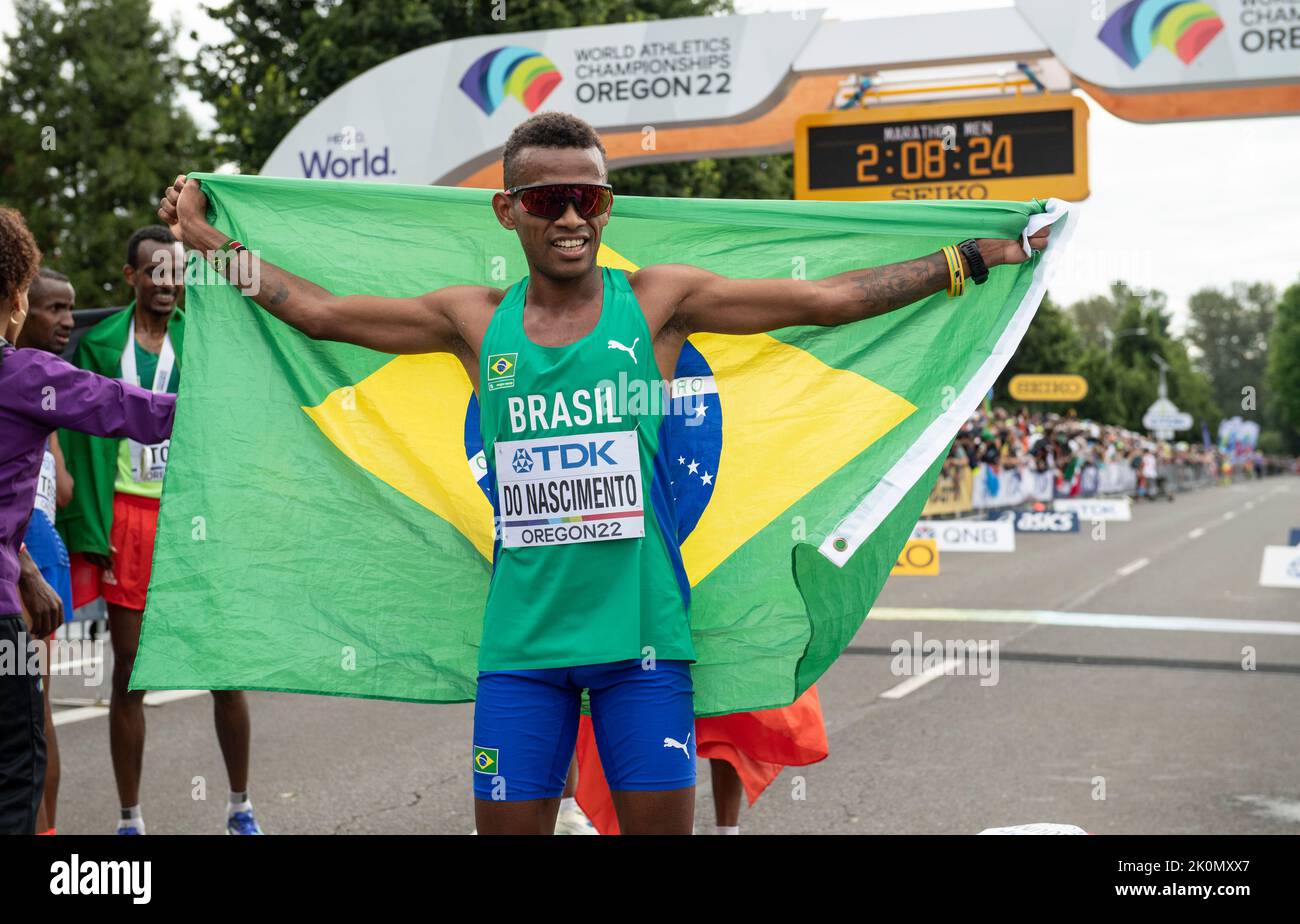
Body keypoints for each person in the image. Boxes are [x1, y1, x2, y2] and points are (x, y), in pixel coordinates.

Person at [159, 110, 1053, 835]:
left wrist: (967, 258)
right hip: (522, 652)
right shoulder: (471, 319)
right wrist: (203, 239)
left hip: (645, 649)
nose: (573, 216)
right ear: (508, 212)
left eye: (590, 195)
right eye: (548, 198)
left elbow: (824, 303)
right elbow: (314, 312)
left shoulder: (660, 303)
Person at [57, 226, 261, 835]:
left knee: (225, 668)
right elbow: (82, 439)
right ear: (132, 278)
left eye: (177, 273)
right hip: (129, 519)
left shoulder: (202, 342)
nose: (169, 283)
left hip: (193, 513)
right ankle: (130, 820)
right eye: (156, 272)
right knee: (131, 671)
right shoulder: (99, 347)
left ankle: (241, 806)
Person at [0, 207, 175, 835]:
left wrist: (18, 562)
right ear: (17, 297)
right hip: (2, 622)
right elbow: (143, 413)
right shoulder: (26, 376)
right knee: (15, 783)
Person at [15, 267, 77, 834]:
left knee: (30, 716)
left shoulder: (40, 379)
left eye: (69, 309)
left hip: (31, 552)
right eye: (52, 308)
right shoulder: (34, 379)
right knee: (31, 714)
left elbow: (61, 488)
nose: (67, 321)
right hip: (29, 547)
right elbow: (64, 488)